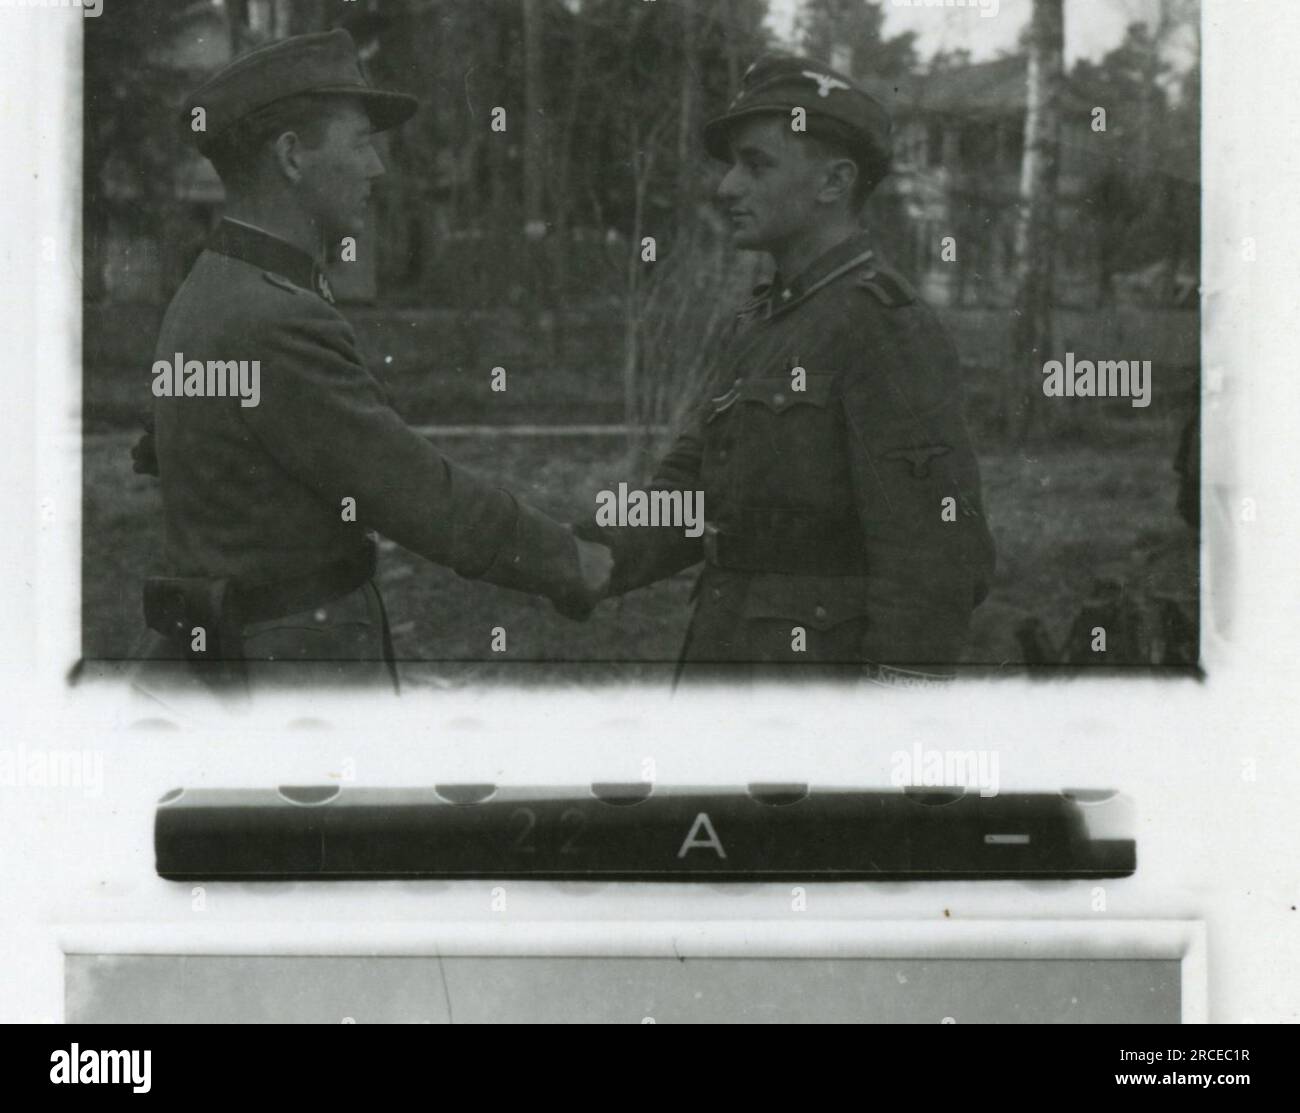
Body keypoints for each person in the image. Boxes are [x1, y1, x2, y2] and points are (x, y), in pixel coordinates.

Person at [133, 30, 610, 692]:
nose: (378, 169)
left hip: (239, 651)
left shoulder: (213, 287)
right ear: (293, 156)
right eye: (359, 142)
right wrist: (568, 560)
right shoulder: (275, 317)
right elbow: (414, 492)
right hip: (294, 670)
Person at [579, 55, 995, 683]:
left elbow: (934, 553)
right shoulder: (764, 320)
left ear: (834, 183)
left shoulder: (883, 324)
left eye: (757, 164)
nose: (727, 188)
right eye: (732, 166)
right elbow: (689, 493)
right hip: (730, 655)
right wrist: (579, 552)